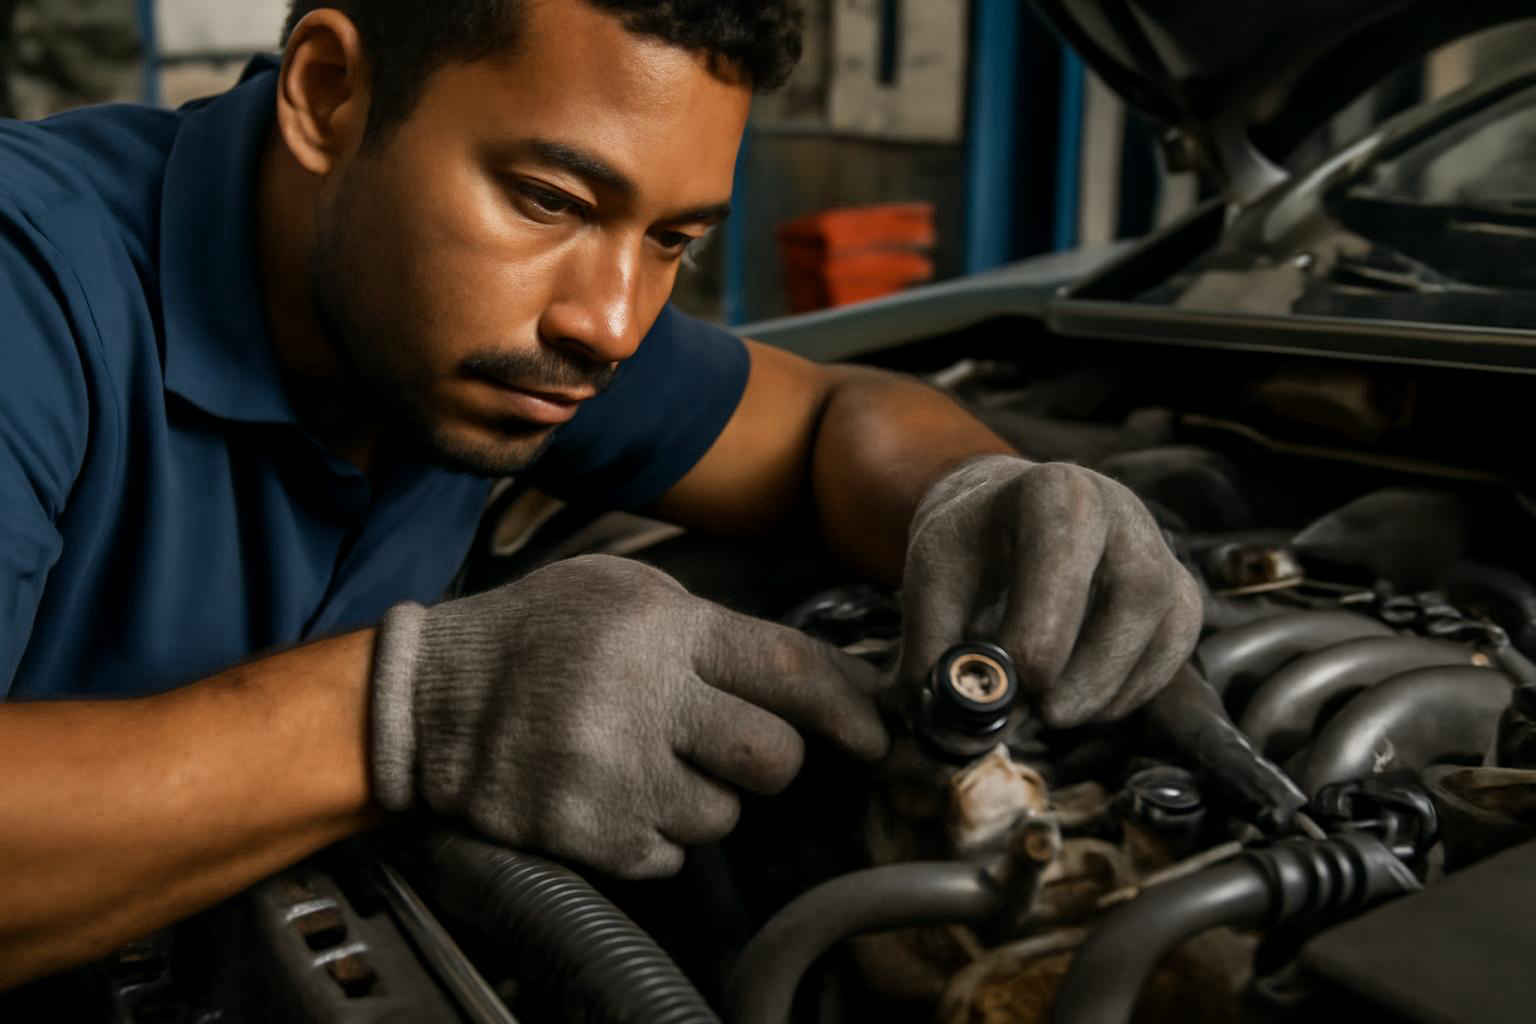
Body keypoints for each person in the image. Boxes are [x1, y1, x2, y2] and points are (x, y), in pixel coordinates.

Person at [0, 0, 1201, 988]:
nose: (613, 323)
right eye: (550, 201)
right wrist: (413, 713)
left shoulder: (494, 329)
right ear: (327, 94)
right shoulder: (33, 290)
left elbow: (833, 417)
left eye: (672, 237)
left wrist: (978, 495)